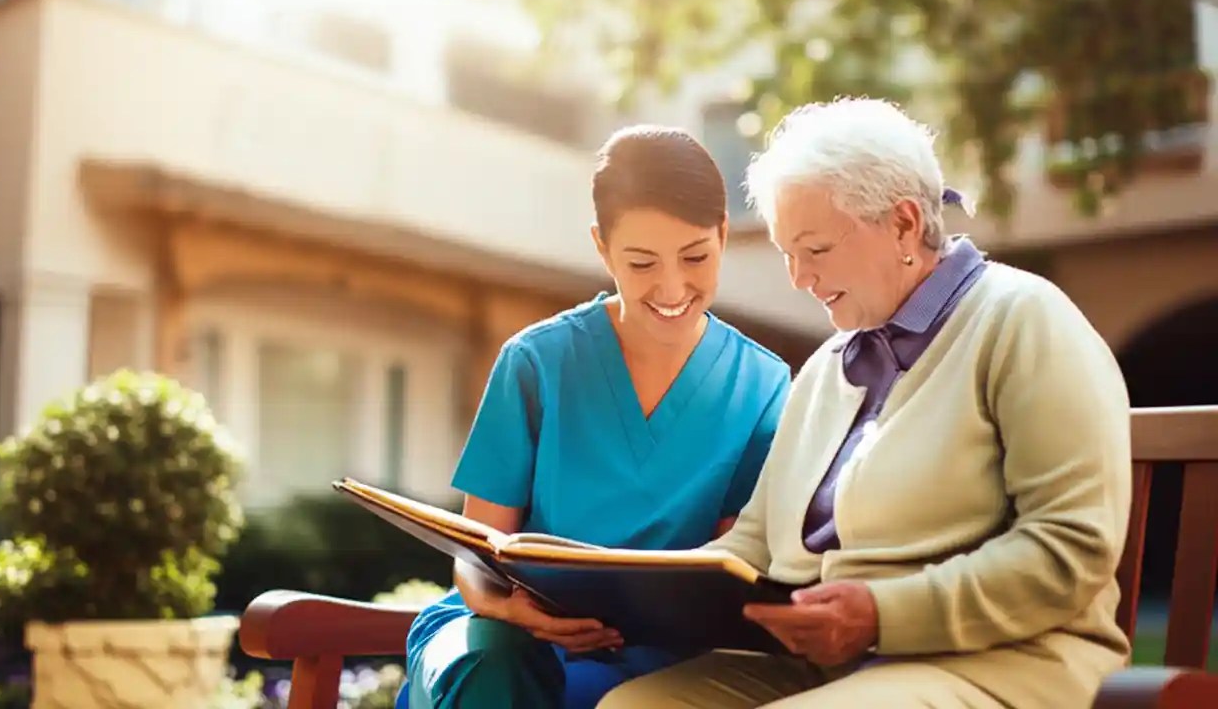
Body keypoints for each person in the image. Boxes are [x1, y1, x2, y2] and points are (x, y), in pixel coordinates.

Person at [596, 98, 1133, 708]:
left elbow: (1069, 547)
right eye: (787, 254)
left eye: (816, 249)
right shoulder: (828, 367)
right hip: (831, 668)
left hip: (1002, 661)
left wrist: (881, 614)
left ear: (903, 224)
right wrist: (615, 587)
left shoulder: (1023, 319)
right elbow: (753, 546)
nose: (798, 277)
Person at [399, 125, 794, 709]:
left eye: (695, 257)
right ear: (602, 247)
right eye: (641, 262)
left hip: (651, 659)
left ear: (725, 234)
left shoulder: (762, 386)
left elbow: (728, 571)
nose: (671, 286)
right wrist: (510, 609)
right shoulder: (537, 362)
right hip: (499, 635)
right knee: (495, 670)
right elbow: (478, 554)